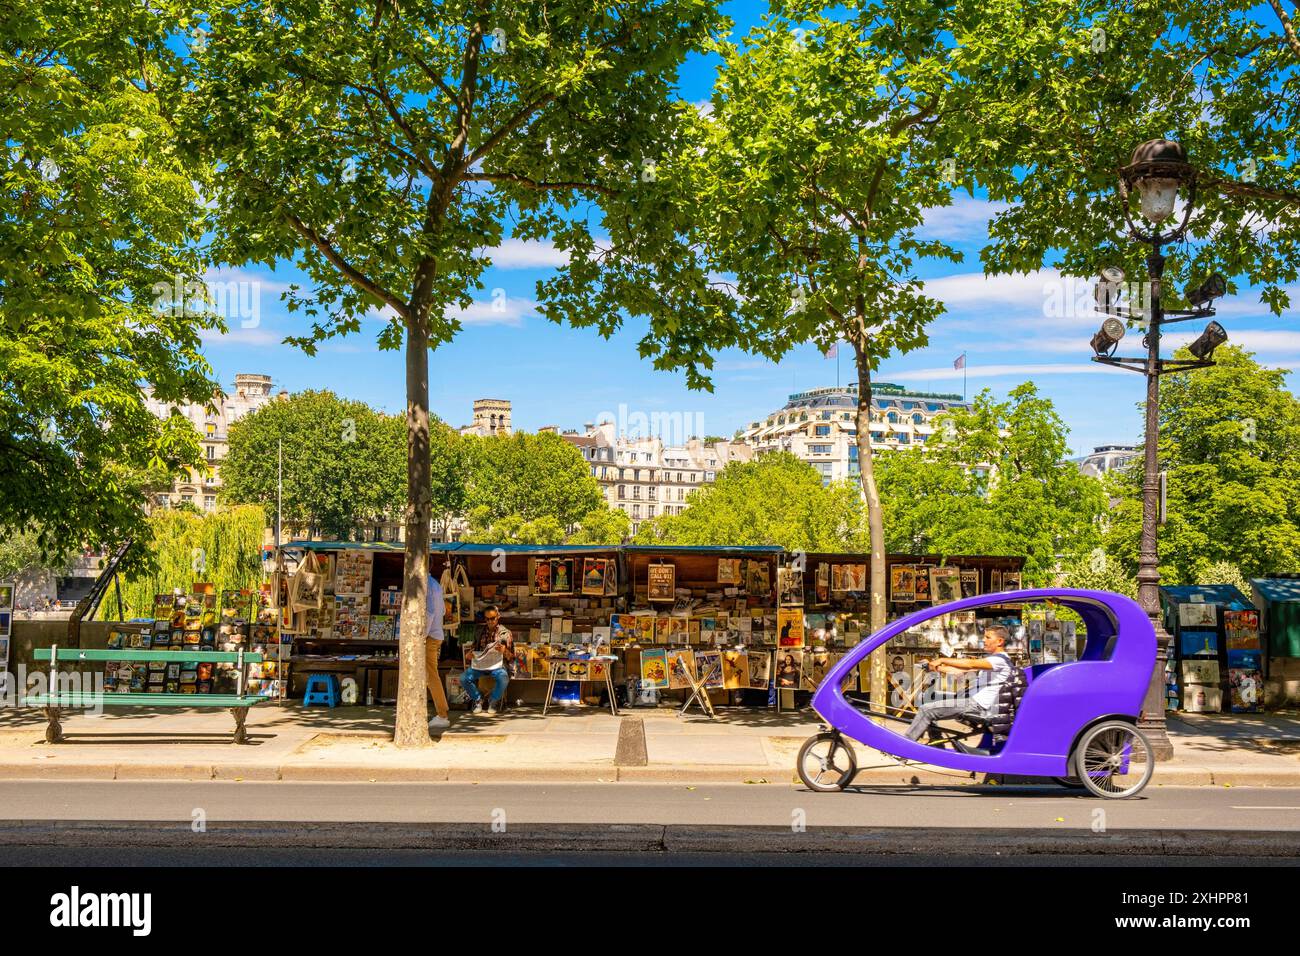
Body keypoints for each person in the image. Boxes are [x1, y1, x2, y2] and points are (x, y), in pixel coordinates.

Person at [904, 625, 1014, 742]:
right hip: (969, 699)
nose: (983, 640)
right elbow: (959, 670)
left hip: (977, 705)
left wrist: (941, 660)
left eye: (988, 637)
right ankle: (936, 741)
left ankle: (904, 747)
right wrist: (933, 667)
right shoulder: (992, 659)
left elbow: (969, 664)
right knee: (929, 697)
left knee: (926, 710)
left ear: (999, 641)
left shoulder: (1000, 660)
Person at [461, 604, 514, 715]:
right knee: (464, 678)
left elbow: (511, 657)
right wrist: (469, 655)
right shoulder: (479, 631)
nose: (490, 621)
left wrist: (504, 651)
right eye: (487, 619)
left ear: (498, 616)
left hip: (497, 666)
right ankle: (478, 699)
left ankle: (493, 701)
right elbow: (473, 650)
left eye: (492, 618)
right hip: (480, 665)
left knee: (503, 677)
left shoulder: (505, 633)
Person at [425, 559, 450, 731]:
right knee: (428, 675)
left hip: (429, 636)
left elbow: (430, 613)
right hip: (435, 634)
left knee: (430, 676)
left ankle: (442, 714)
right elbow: (442, 611)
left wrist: (421, 635)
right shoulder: (434, 584)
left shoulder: (426, 584)